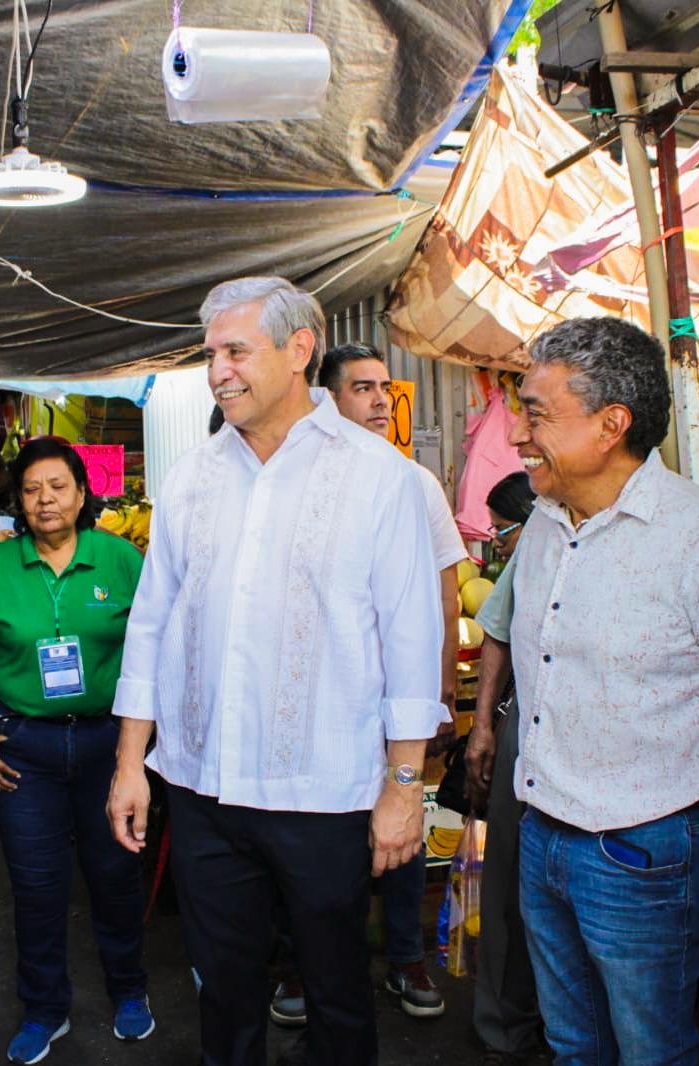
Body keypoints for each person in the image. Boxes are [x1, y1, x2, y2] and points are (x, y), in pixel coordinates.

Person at [106, 276, 446, 1066]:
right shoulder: (191, 477)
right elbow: (153, 624)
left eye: (235, 350)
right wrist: (131, 763)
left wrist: (403, 788)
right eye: (210, 354)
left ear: (299, 351)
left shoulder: (379, 477)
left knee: (333, 988)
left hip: (321, 792)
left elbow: (409, 640)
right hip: (202, 787)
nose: (218, 370)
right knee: (222, 988)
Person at [506, 317, 699, 1064]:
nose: (515, 434)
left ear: (610, 425)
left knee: (652, 1049)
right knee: (572, 1044)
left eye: (534, 412)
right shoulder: (543, 522)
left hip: (642, 850)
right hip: (543, 832)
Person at [263, 341, 461, 1022]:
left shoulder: (413, 482)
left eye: (385, 387)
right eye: (362, 388)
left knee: (399, 828)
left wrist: (437, 702)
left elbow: (442, 599)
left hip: (387, 704)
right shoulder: (289, 480)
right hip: (312, 702)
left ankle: (404, 956)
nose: (379, 400)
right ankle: (297, 966)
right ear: (324, 398)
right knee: (301, 833)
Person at [0, 437, 152, 1064]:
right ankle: (44, 1010)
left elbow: (151, 652)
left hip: (108, 745)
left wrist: (142, 750)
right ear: (19, 499)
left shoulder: (120, 558)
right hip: (26, 750)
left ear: (81, 493)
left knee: (116, 876)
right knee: (37, 889)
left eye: (58, 486)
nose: (45, 500)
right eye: (33, 489)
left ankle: (130, 991)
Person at [465, 472, 549, 1065]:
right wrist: (485, 725)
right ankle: (505, 1031)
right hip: (527, 724)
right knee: (506, 884)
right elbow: (496, 627)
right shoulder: (545, 530)